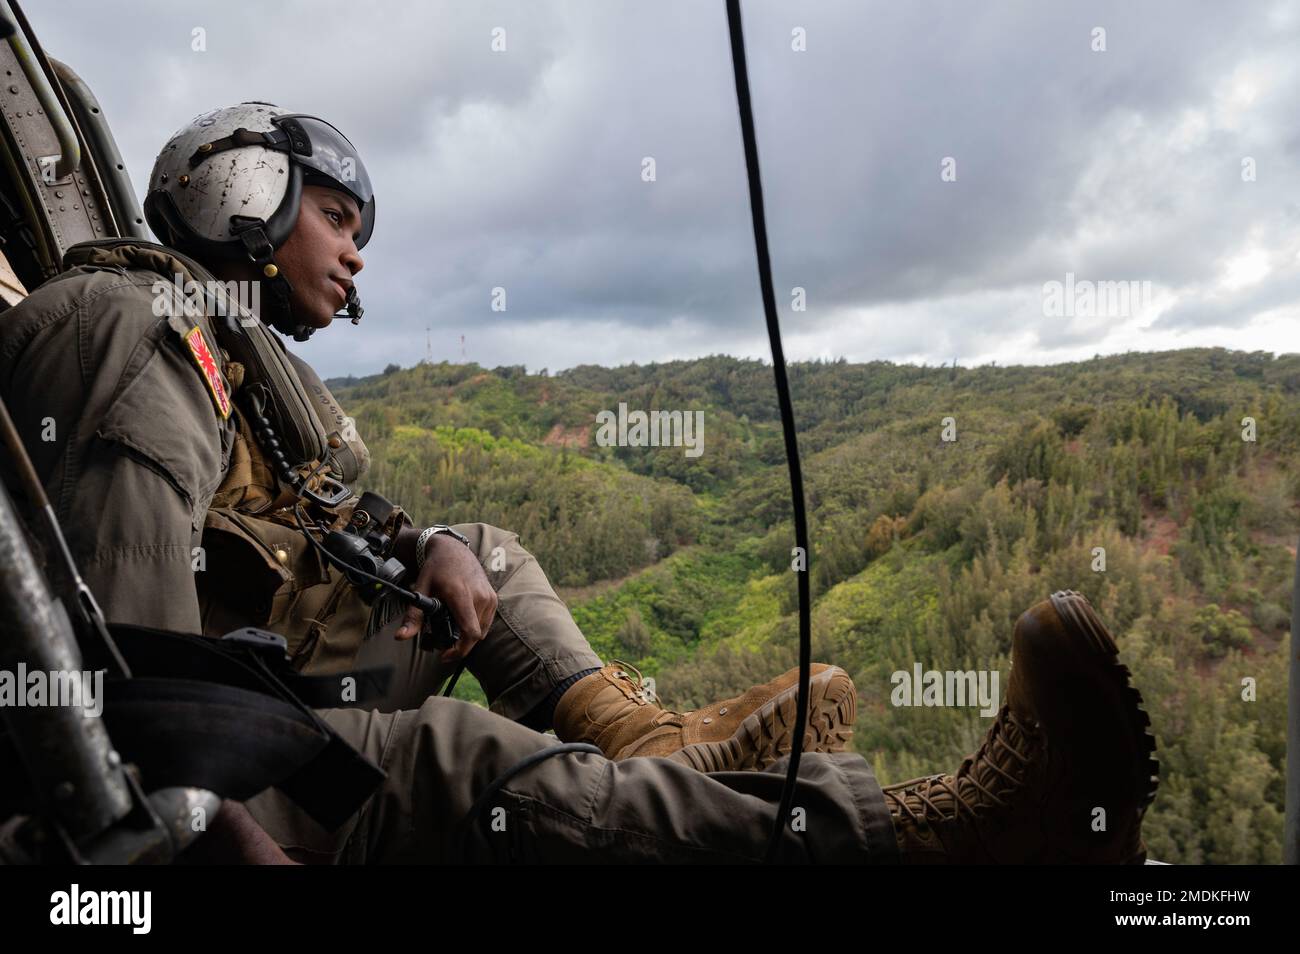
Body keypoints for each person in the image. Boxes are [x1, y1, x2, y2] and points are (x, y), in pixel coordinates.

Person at [0, 102, 1157, 863]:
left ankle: (643, 751)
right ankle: (931, 844)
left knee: (485, 546)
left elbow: (318, 519)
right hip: (217, 746)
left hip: (280, 666)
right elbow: (128, 688)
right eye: (338, 217)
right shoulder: (129, 329)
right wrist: (209, 835)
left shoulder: (235, 355)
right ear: (246, 190)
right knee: (471, 761)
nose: (355, 256)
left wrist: (428, 546)